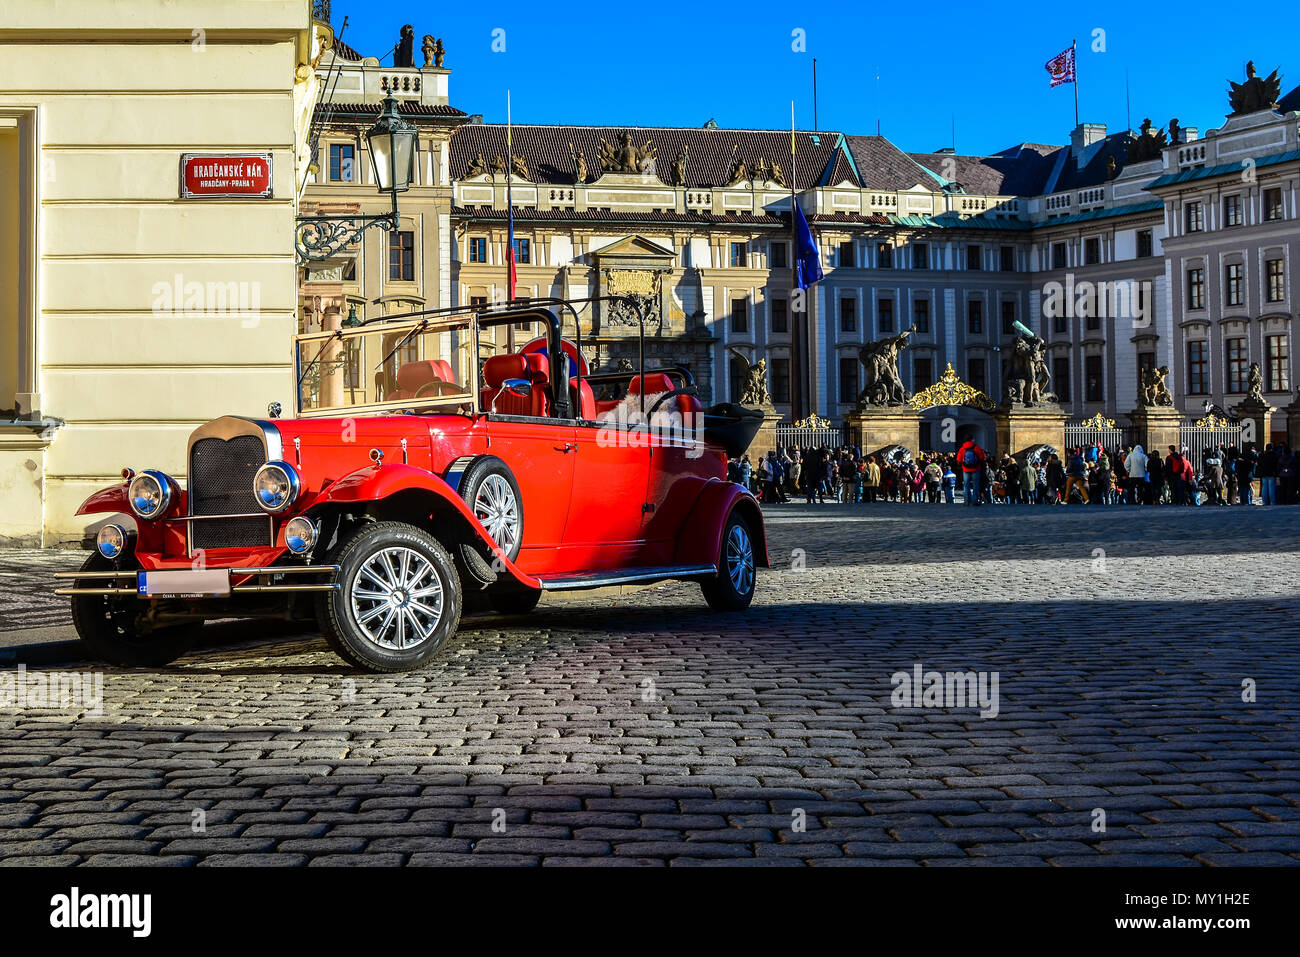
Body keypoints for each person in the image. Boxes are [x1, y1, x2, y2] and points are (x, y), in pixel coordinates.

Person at [955, 437, 986, 506]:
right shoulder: (976, 447)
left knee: (966, 486)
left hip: (966, 469)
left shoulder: (962, 448)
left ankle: (966, 501)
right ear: (972, 439)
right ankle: (975, 501)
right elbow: (982, 457)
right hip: (976, 468)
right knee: (976, 485)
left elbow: (959, 459)